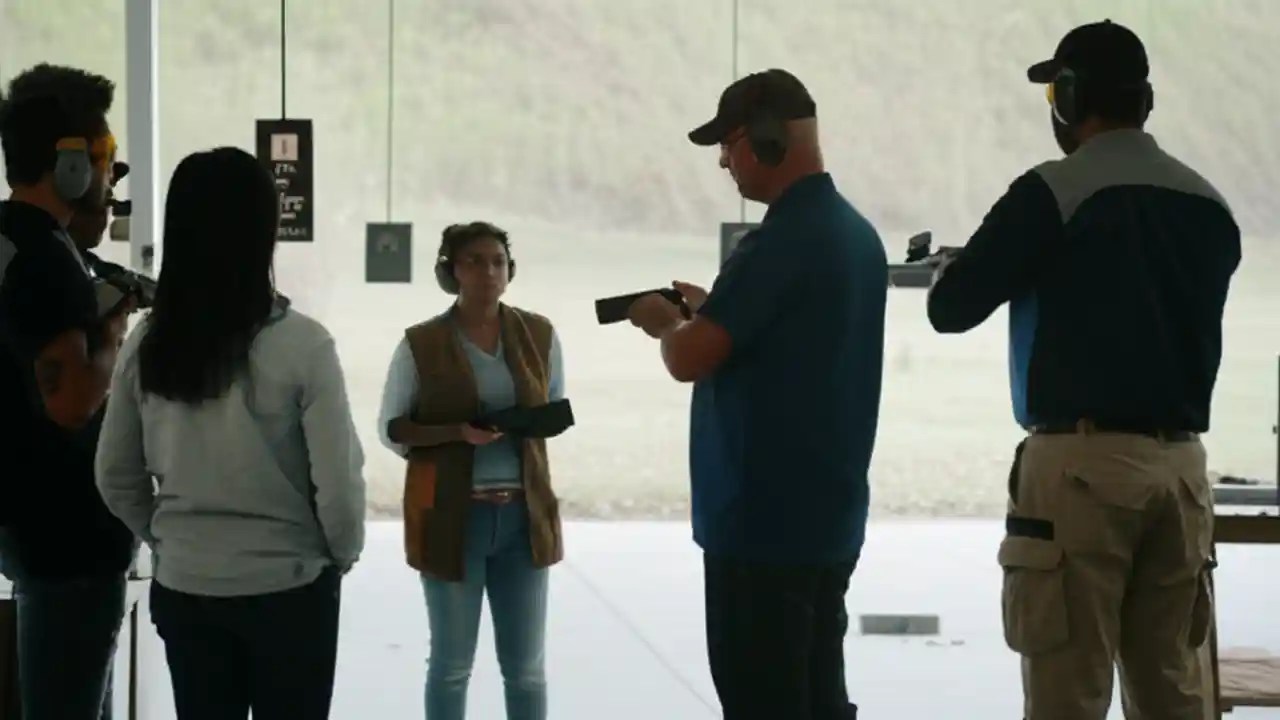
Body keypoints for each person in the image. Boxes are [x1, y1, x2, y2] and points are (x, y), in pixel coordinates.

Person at [926, 20, 1240, 720]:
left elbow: (950, 307)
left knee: (1067, 696)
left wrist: (973, 264)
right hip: (1183, 475)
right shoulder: (1210, 205)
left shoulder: (1052, 193)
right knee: (1172, 693)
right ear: (1146, 102)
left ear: (1067, 100)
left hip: (1080, 473)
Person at [627, 69, 887, 720]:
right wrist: (717, 311)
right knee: (817, 696)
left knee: (761, 699)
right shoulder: (855, 234)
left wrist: (666, 323)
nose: (723, 160)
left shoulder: (779, 240)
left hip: (763, 525)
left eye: (730, 142)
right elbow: (791, 338)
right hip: (826, 516)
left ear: (766, 140)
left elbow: (689, 358)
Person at [94, 147, 366, 720]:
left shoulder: (148, 343)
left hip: (188, 586)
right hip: (289, 589)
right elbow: (338, 483)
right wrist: (337, 555)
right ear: (264, 233)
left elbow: (115, 475)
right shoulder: (304, 345)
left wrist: (169, 540)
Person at [376, 221, 566, 720]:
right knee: (451, 665)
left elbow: (554, 409)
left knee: (526, 669)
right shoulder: (421, 343)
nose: (488, 270)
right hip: (453, 517)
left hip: (524, 519)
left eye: (498, 261)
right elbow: (393, 428)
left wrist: (528, 424)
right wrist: (457, 433)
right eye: (475, 261)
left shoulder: (539, 333)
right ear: (451, 271)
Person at [0, 63, 136, 720]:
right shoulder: (48, 259)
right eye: (105, 156)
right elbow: (72, 401)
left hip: (31, 530)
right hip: (71, 542)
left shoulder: (11, 242)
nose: (111, 176)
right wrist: (112, 321)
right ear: (73, 166)